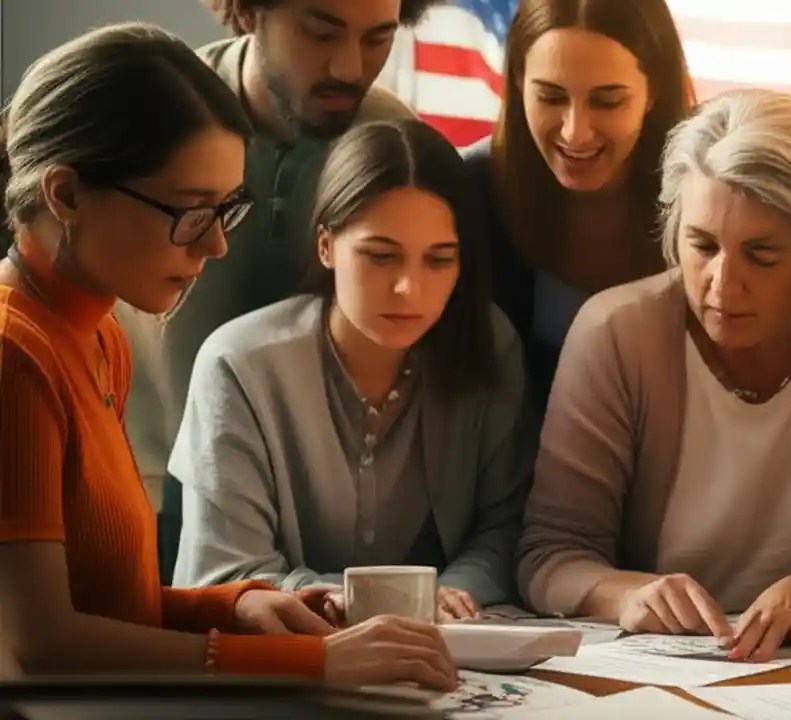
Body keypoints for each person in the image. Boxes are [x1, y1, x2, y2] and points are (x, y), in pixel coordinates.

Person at [0, 23, 454, 689]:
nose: (215, 248)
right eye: (190, 214)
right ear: (65, 195)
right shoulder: (15, 355)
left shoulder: (99, 336)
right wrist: (312, 663)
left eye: (226, 211)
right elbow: (37, 646)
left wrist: (237, 604)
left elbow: (109, 609)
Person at [518, 88, 791, 663]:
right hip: (659, 678)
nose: (723, 284)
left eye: (761, 255)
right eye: (702, 245)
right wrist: (628, 594)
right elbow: (550, 555)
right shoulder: (616, 332)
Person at [115, 0, 443, 583]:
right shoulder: (157, 117)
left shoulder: (392, 141)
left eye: (377, 39)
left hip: (311, 512)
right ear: (245, 10)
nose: (349, 66)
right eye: (322, 32)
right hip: (147, 483)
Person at [170, 119, 534, 621]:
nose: (410, 288)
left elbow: (508, 528)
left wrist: (452, 595)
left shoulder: (489, 345)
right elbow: (225, 573)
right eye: (380, 257)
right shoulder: (240, 364)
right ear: (326, 246)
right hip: (292, 658)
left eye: (439, 260)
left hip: (455, 648)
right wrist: (398, 601)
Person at [465, 0, 693, 411]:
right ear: (518, 81)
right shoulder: (468, 192)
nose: (575, 132)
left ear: (653, 92)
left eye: (607, 102)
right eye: (550, 97)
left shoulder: (704, 199)